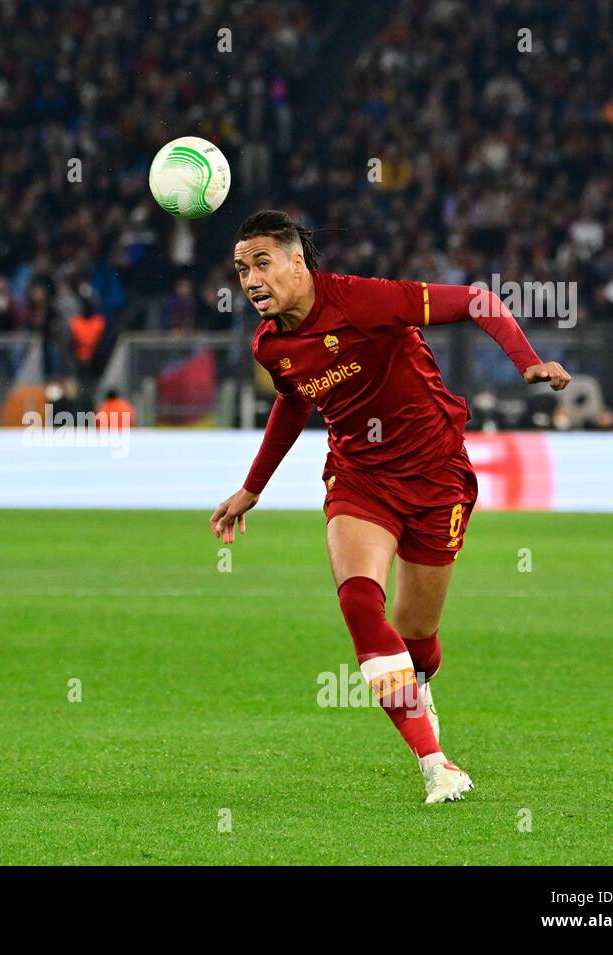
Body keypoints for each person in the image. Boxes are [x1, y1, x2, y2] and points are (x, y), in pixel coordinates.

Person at [210, 211, 570, 804]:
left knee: (417, 636)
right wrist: (254, 487)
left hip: (437, 478)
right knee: (358, 601)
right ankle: (436, 763)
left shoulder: (367, 301)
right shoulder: (272, 345)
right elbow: (295, 404)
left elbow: (478, 302)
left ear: (298, 261)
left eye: (262, 263)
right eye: (241, 269)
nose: (250, 280)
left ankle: (418, 682)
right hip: (360, 480)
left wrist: (526, 361)